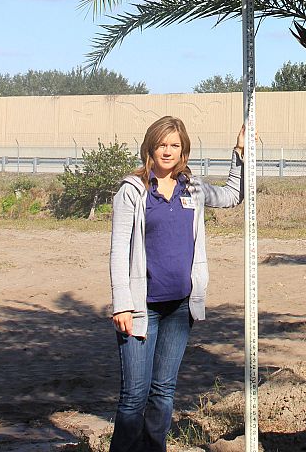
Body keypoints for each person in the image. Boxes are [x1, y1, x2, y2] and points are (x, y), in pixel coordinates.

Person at [109, 115, 245, 452]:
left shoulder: (193, 187)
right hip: (142, 310)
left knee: (164, 392)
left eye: (175, 145)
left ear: (183, 150)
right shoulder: (133, 191)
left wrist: (240, 153)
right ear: (150, 148)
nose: (167, 151)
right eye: (162, 144)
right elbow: (118, 251)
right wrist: (122, 304)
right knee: (134, 397)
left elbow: (231, 196)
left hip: (180, 308)